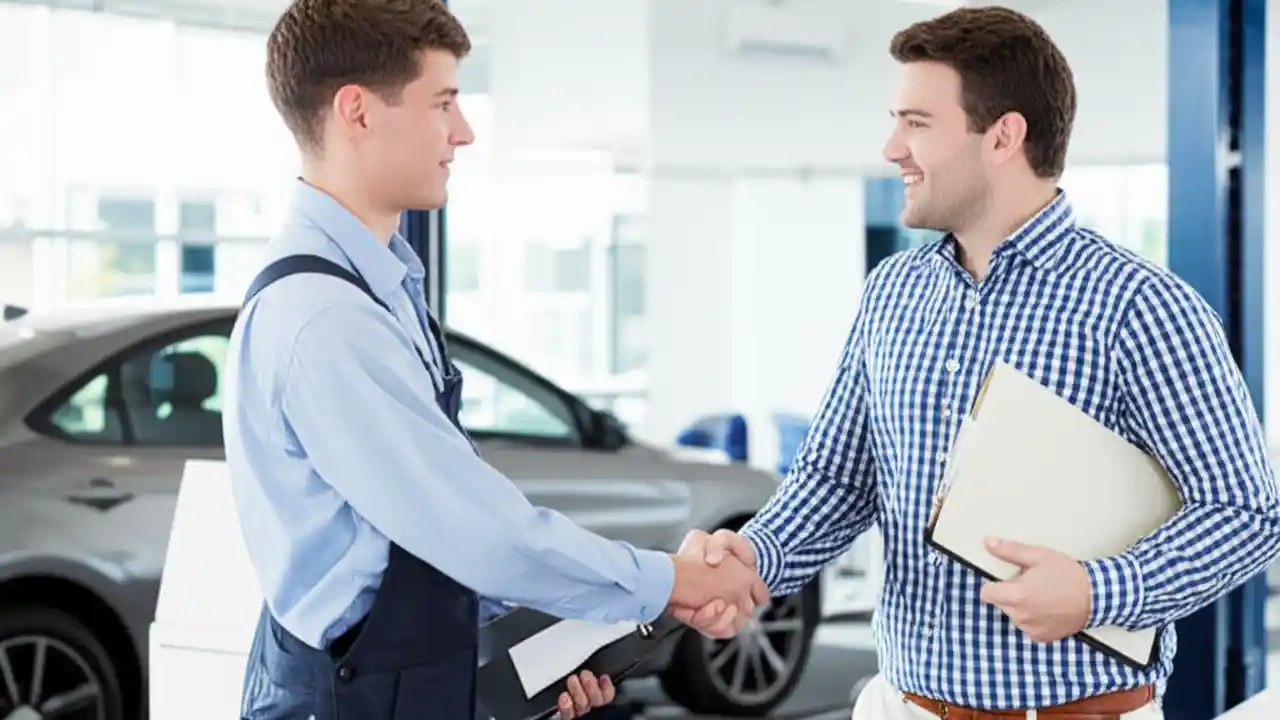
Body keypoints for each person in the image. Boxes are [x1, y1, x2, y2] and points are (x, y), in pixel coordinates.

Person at [676, 6, 1280, 720]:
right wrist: (753, 561)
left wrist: (1098, 591)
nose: (892, 147)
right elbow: (839, 478)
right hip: (900, 705)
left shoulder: (1141, 306)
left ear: (1004, 136)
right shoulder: (893, 292)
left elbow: (1245, 512)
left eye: (917, 122)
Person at [223, 2, 764, 719]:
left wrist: (547, 647)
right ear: (356, 111)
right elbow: (475, 531)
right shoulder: (328, 321)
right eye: (443, 102)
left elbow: (415, 543)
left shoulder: (379, 286)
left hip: (386, 682)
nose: (464, 133)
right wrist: (672, 581)